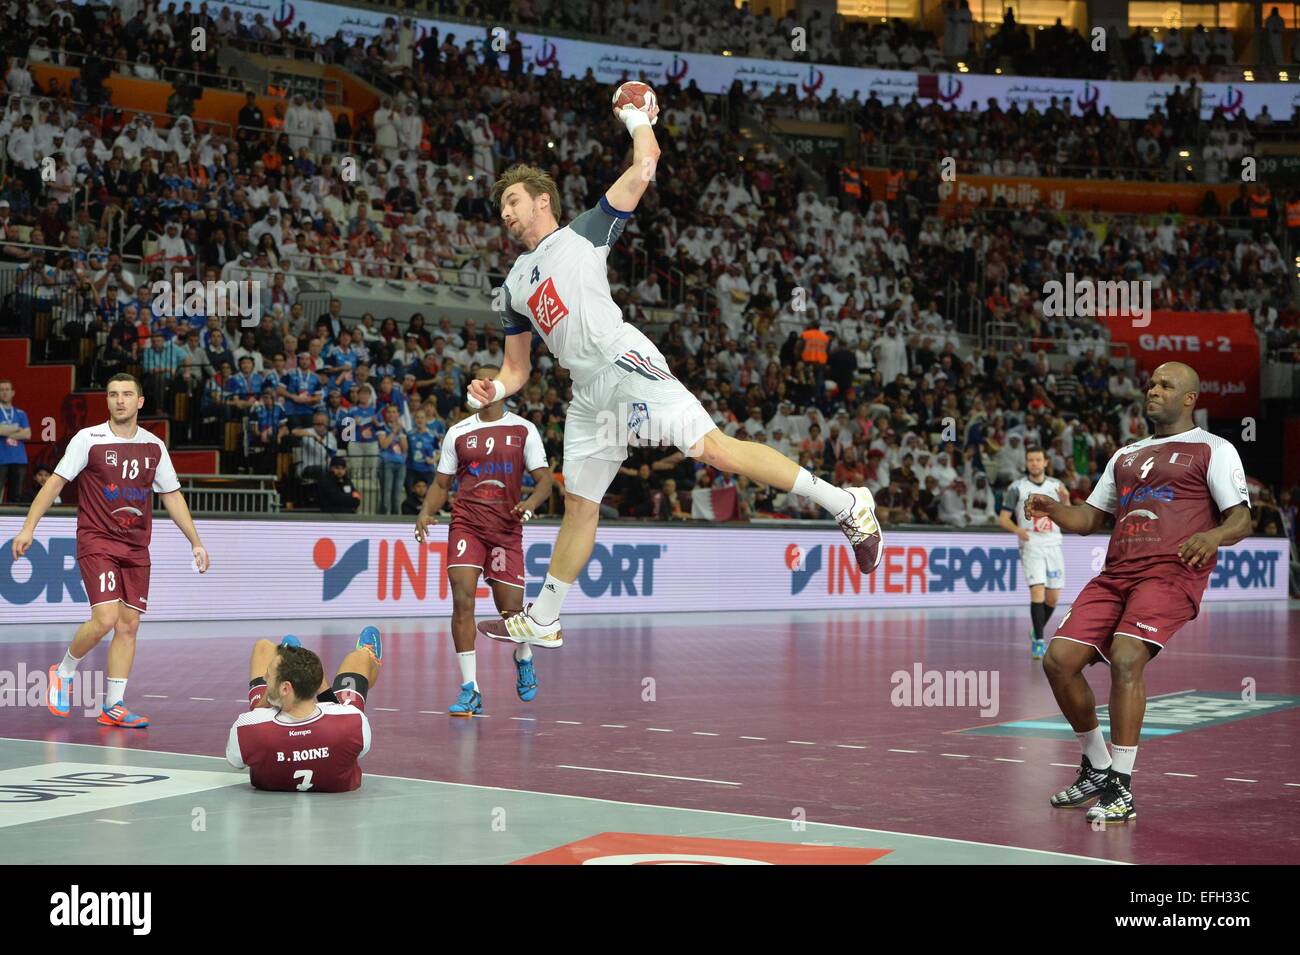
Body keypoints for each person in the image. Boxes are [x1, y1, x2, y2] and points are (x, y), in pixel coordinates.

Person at [474, 84, 883, 650]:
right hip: (588, 393)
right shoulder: (513, 286)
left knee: (713, 449)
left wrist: (637, 119)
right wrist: (493, 385)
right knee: (580, 503)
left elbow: (645, 167)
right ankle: (545, 618)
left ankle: (847, 502)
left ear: (542, 200)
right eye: (502, 210)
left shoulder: (584, 233)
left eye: (513, 203)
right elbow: (515, 370)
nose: (507, 215)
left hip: (625, 362)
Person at [1026, 363, 1253, 824]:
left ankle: (1121, 788)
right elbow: (1090, 520)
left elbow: (1241, 518)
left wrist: (1211, 538)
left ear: (1189, 398)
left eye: (1166, 385)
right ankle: (1097, 766)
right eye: (1151, 383)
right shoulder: (1125, 455)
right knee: (1058, 662)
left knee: (1128, 656)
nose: (1153, 390)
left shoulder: (1215, 449)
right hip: (1116, 574)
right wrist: (1055, 507)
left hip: (1171, 573)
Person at [11, 374, 210, 728]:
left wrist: (195, 541)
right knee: (105, 619)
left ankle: (113, 705)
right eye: (113, 394)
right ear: (107, 400)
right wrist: (28, 527)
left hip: (136, 546)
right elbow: (54, 483)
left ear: (140, 402)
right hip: (97, 539)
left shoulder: (154, 446)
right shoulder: (88, 439)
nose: (120, 400)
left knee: (129, 625)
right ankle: (64, 670)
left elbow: (172, 495)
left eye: (127, 394)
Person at [415, 366, 554, 715]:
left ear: (501, 388)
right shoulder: (457, 432)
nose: (480, 384)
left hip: (506, 529)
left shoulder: (524, 429)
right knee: (462, 600)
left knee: (511, 612)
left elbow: (545, 482)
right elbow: (441, 484)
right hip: (467, 525)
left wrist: (530, 504)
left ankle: (523, 655)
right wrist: (425, 511)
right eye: (475, 380)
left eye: (488, 380)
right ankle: (470, 689)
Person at [226, 628, 381, 792]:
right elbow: (358, 752)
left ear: (285, 689)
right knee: (360, 658)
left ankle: (294, 660)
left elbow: (235, 761)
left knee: (263, 647)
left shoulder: (247, 728)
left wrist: (267, 699)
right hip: (331, 723)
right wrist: (315, 678)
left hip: (270, 728)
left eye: (269, 675)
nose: (265, 678)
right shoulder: (353, 721)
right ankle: (311, 673)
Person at [998, 444, 1071, 659]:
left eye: (1038, 460)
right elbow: (1003, 518)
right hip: (1031, 544)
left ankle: (1035, 629)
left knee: (1053, 597)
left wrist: (1066, 499)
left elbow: (1068, 514)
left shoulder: (1057, 486)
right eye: (1031, 460)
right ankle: (1039, 641)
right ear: (1027, 463)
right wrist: (1017, 529)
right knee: (1037, 591)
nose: (1035, 464)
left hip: (1053, 543)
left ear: (1045, 462)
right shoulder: (1017, 488)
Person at [0, 378, 32, 503]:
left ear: (13, 392)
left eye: (7, 389)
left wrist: (5, 430)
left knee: (16, 497)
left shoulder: (21, 413)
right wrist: (16, 428)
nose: (4, 392)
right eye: (1, 390)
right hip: (1, 459)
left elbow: (27, 434)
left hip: (18, 459)